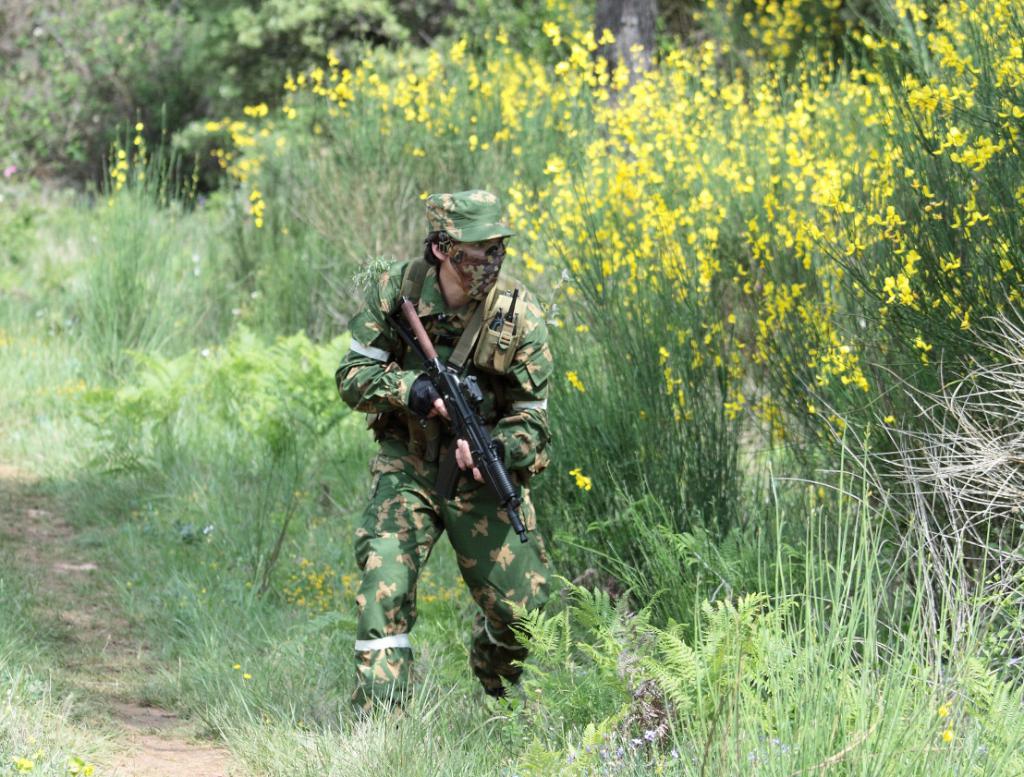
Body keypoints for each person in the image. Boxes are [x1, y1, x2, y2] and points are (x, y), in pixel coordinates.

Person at [336, 190, 553, 709]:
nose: (490, 264)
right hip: (408, 462)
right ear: (442, 249)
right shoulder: (396, 290)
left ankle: (495, 684)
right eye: (478, 253)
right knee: (383, 576)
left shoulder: (520, 317)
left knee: (525, 611)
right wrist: (410, 390)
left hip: (481, 473)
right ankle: (380, 721)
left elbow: (535, 422)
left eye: (498, 251)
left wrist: (496, 449)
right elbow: (351, 377)